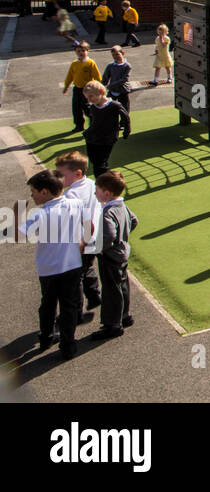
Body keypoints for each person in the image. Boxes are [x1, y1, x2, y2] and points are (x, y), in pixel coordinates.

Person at [14, 169, 85, 358]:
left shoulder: (39, 215)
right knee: (69, 306)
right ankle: (68, 345)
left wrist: (16, 214)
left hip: (48, 269)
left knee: (48, 304)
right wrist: (83, 243)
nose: (32, 195)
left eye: (34, 191)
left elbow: (18, 236)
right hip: (72, 265)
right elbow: (89, 226)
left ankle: (46, 337)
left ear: (44, 192)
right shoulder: (76, 204)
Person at [89, 169, 137, 340]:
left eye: (97, 190)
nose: (95, 193)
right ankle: (125, 315)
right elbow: (134, 220)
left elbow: (108, 235)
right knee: (122, 285)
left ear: (106, 193)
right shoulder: (122, 206)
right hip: (122, 253)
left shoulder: (107, 212)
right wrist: (123, 237)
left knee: (110, 290)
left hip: (110, 256)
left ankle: (112, 324)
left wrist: (100, 248)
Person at [53, 150, 99, 324]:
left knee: (75, 279)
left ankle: (76, 312)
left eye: (60, 175)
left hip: (79, 242)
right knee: (87, 267)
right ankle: (94, 294)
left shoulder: (70, 195)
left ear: (77, 173)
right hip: (94, 239)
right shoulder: (92, 184)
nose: (57, 179)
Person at [82, 81, 130, 176]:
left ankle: (102, 182)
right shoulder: (93, 107)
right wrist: (88, 133)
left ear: (100, 91)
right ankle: (106, 179)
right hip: (92, 137)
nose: (89, 100)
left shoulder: (114, 105)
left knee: (100, 163)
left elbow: (126, 117)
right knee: (93, 159)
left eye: (91, 96)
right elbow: (93, 121)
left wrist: (126, 130)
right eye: (87, 98)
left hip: (107, 138)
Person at [63, 42, 101, 133]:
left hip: (87, 90)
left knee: (87, 108)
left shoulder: (90, 63)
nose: (81, 53)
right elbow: (70, 76)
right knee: (76, 108)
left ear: (87, 51)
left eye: (83, 51)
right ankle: (79, 125)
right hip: (77, 89)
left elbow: (97, 77)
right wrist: (66, 86)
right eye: (78, 51)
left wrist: (97, 88)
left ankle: (93, 124)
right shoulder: (74, 63)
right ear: (75, 52)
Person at [102, 45, 132, 114]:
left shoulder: (127, 66)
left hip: (123, 91)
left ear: (123, 53)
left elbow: (124, 79)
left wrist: (111, 85)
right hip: (112, 91)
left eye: (117, 54)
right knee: (108, 109)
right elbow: (105, 77)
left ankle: (124, 123)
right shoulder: (110, 66)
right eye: (113, 55)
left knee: (125, 110)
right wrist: (101, 86)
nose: (115, 57)